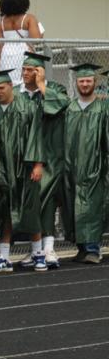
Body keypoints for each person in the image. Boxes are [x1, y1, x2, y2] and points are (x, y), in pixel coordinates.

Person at [0, 69, 45, 272]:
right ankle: (4, 257)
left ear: (11, 86)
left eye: (2, 87)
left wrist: (37, 164)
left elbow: (36, 136)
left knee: (31, 210)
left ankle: (38, 253)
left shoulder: (27, 107)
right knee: (5, 213)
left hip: (25, 169)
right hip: (1, 171)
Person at [19, 52, 68, 269]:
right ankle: (36, 249)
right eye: (24, 69)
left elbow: (60, 105)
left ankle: (48, 249)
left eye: (32, 70)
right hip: (25, 158)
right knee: (31, 203)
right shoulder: (19, 96)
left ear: (41, 71)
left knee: (47, 201)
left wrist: (41, 84)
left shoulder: (54, 90)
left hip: (50, 156)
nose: (26, 73)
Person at [60, 64, 108, 264]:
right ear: (76, 83)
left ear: (95, 83)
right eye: (82, 81)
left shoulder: (102, 108)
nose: (85, 84)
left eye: (88, 80)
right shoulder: (69, 108)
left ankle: (93, 249)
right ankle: (81, 248)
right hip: (70, 168)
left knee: (91, 207)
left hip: (94, 167)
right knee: (73, 207)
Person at [0, 0, 43, 86]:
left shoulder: (1, 23)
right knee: (25, 83)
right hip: (23, 51)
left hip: (6, 53)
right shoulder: (28, 18)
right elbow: (37, 39)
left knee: (8, 83)